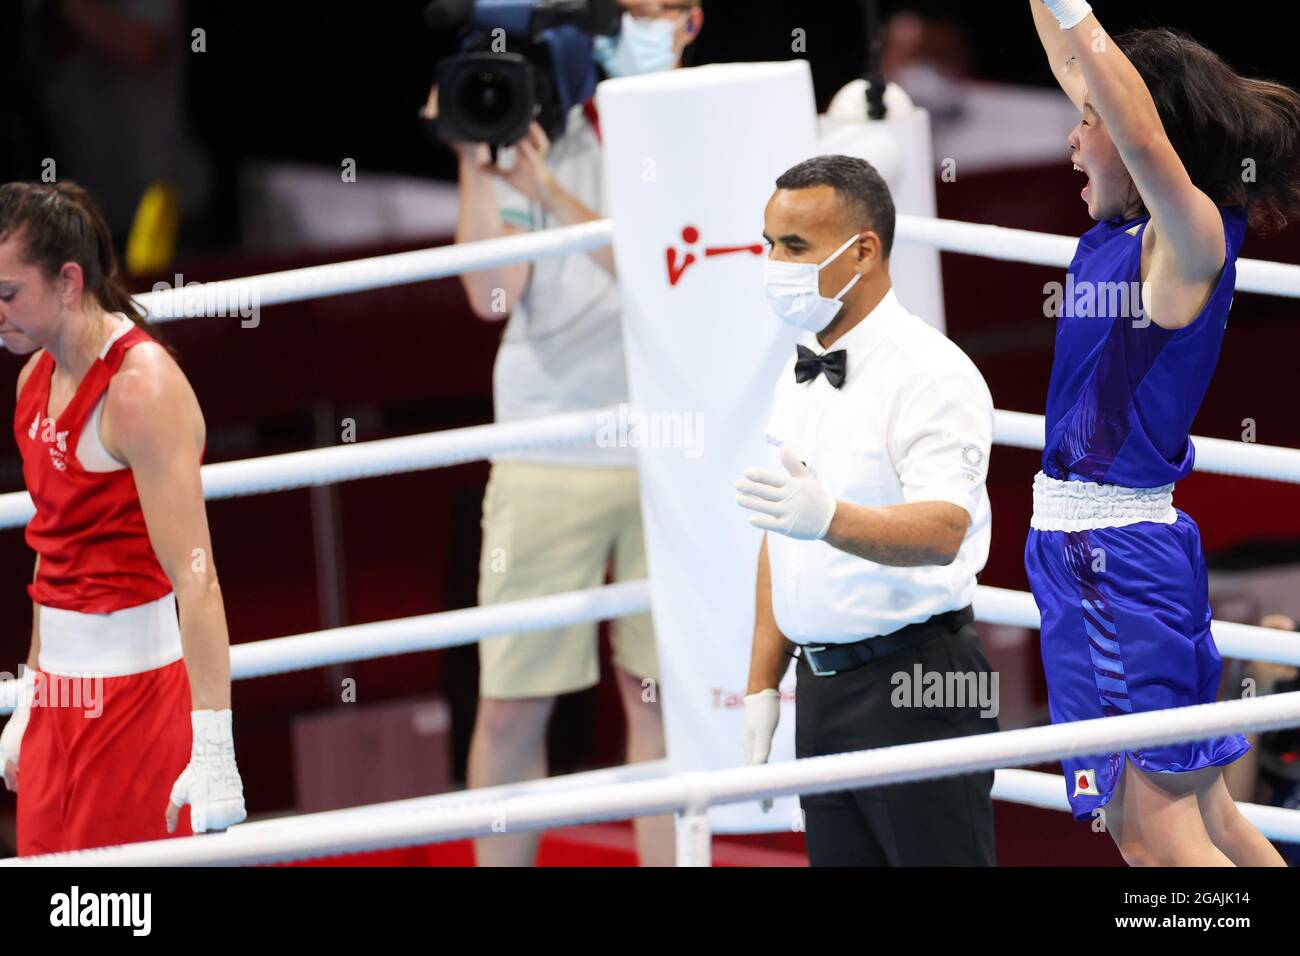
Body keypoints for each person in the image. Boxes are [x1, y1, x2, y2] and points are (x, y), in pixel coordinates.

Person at [421, 0, 704, 866]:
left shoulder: (705, 127)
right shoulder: (545, 118)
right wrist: (482, 146)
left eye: (653, 7)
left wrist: (548, 190)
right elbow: (489, 296)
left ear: (689, 19)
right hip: (547, 442)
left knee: (655, 703)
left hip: (673, 446)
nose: (635, 20)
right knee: (509, 706)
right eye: (625, 7)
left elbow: (673, 279)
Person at [1024, 0, 1300, 866]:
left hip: (1109, 563)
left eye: (1087, 122)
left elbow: (1138, 131)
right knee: (1213, 820)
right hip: (1126, 555)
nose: (1072, 137)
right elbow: (1083, 67)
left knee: (1155, 841)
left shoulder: (1189, 240)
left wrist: (1089, 27)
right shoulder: (1133, 232)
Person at [737, 155, 999, 866]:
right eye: (767, 242)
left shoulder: (932, 374)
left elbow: (945, 530)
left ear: (862, 251)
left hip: (920, 679)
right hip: (821, 692)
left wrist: (827, 518)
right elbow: (782, 534)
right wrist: (764, 682)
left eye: (794, 246)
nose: (773, 263)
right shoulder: (801, 366)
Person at [0, 181, 244, 854]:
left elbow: (197, 579)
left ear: (69, 280)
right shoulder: (32, 382)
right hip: (56, 705)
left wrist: (214, 746)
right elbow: (55, 549)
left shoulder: (143, 391)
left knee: (119, 910)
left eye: (8, 292)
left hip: (137, 700)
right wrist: (31, 693)